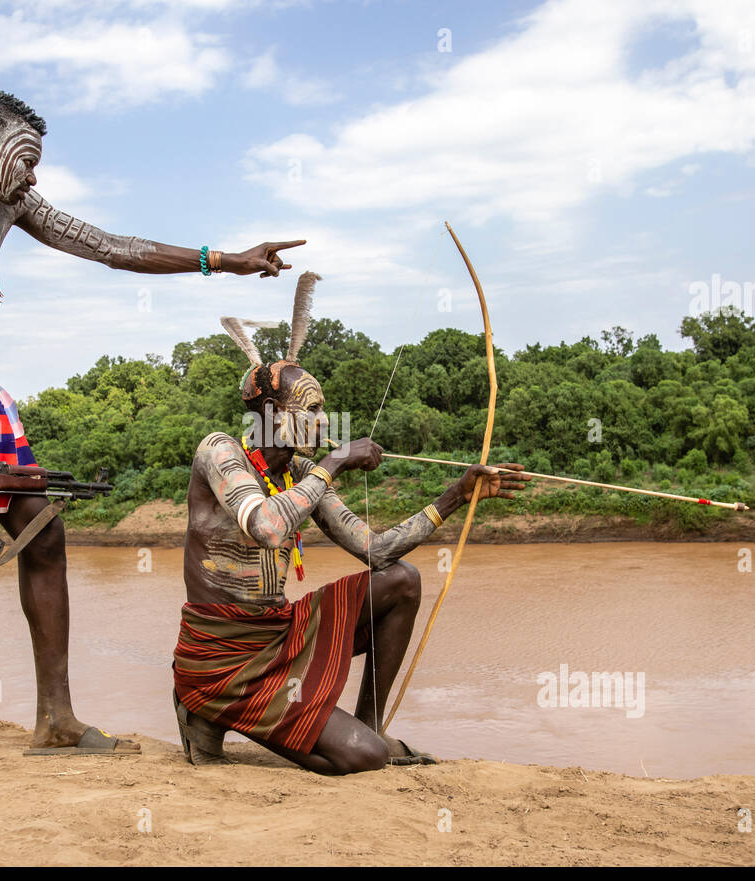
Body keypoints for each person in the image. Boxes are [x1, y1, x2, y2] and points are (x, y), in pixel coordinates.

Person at [0, 90, 305, 756]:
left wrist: (226, 261)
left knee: (41, 529)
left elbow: (109, 247)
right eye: (26, 159)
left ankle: (55, 720)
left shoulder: (6, 204)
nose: (33, 177)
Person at [173, 272, 527, 773]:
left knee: (401, 581)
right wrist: (334, 463)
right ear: (274, 413)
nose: (323, 421)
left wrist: (457, 494)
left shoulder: (298, 473)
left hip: (276, 638)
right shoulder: (220, 451)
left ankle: (370, 726)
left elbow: (376, 551)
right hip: (222, 658)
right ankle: (207, 707)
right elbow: (269, 526)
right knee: (363, 759)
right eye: (312, 411)